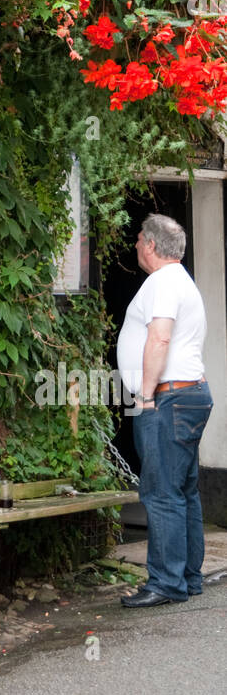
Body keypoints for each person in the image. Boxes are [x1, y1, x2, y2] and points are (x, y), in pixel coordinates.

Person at [116, 213, 213, 607]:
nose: (136, 245)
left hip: (168, 398)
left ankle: (166, 583)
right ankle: (187, 578)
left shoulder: (161, 282)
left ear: (152, 245)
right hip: (189, 394)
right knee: (184, 491)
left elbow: (159, 338)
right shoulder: (182, 281)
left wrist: (145, 395)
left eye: (139, 239)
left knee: (161, 494)